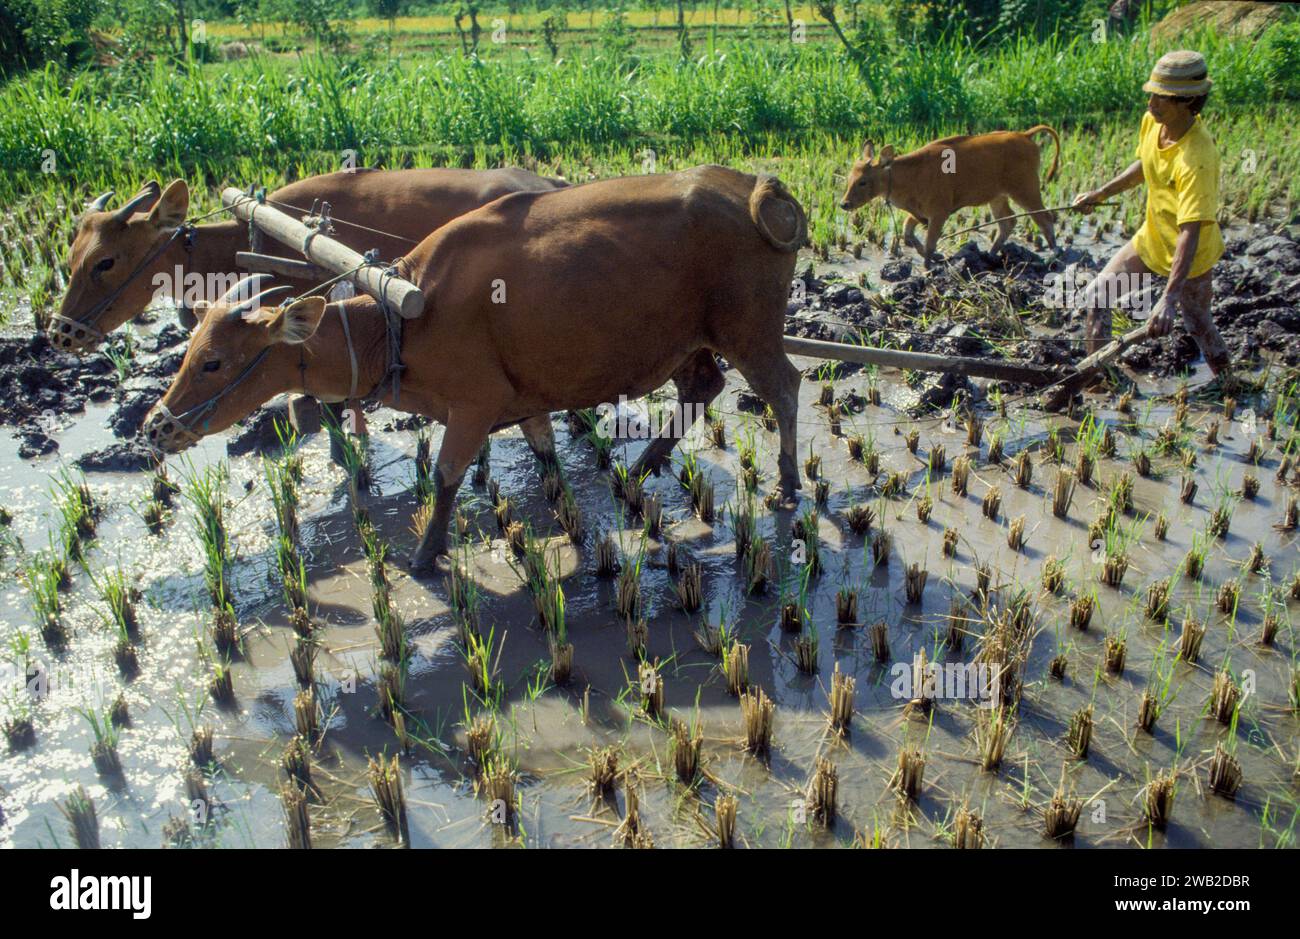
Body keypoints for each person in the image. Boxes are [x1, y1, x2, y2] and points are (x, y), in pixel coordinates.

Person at [1072, 49, 1232, 387]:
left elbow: (1190, 230)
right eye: (1151, 95)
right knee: (1096, 296)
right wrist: (1100, 194)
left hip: (1192, 254)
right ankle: (1097, 381)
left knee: (1198, 323)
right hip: (1152, 238)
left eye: (1160, 99)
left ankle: (1229, 384)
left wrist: (1167, 299)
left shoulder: (1196, 158)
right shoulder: (1154, 123)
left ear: (1186, 102)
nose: (1151, 105)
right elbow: (1144, 165)